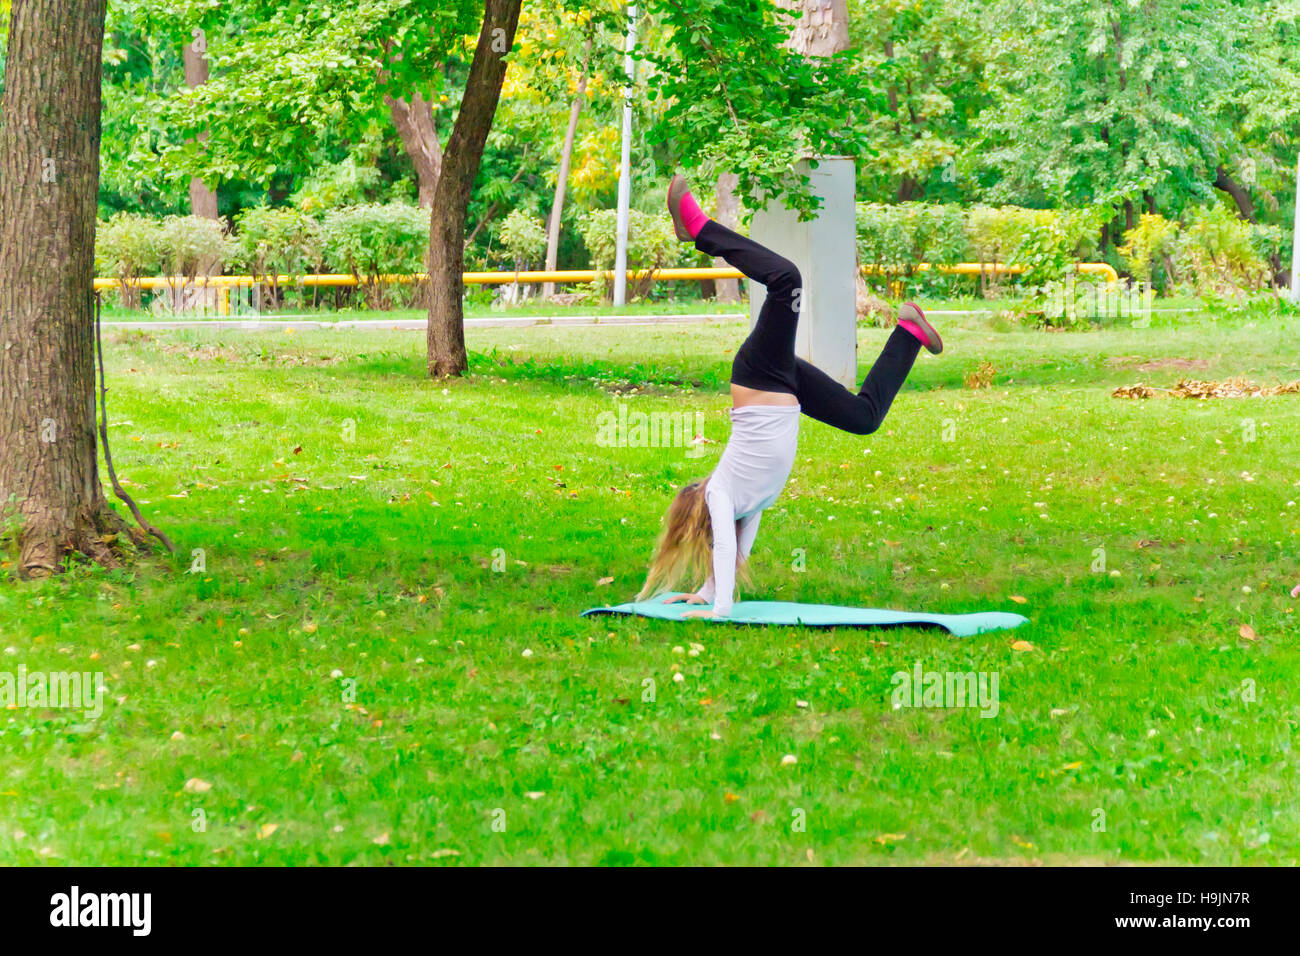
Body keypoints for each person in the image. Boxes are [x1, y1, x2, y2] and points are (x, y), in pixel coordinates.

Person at [637, 174, 943, 619]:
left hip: (760, 375)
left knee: (787, 281)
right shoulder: (751, 502)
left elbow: (723, 542)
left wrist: (719, 609)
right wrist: (706, 593)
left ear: (703, 500)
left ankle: (700, 230)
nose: (704, 488)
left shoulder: (724, 492)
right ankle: (908, 333)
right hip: (786, 388)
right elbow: (732, 551)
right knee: (863, 417)